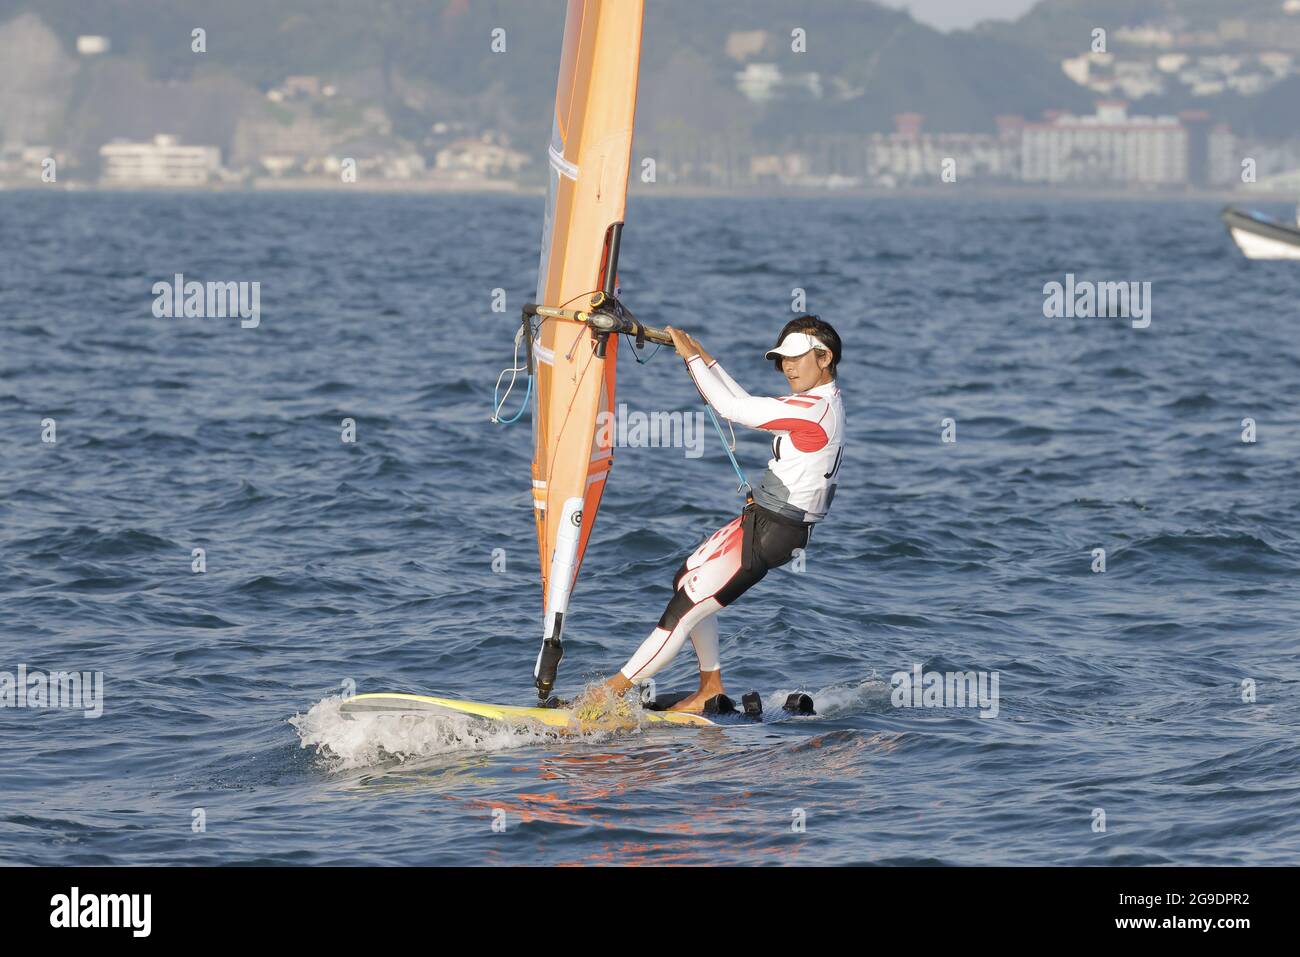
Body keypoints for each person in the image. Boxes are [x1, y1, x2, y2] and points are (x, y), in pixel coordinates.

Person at [581, 315, 846, 714]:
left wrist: (692, 361)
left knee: (684, 609)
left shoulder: (814, 411)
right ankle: (710, 688)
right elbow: (744, 404)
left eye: (796, 358)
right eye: (780, 361)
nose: (787, 367)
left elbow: (731, 410)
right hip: (761, 522)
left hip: (774, 532)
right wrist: (706, 358)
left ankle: (607, 694)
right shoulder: (819, 402)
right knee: (685, 578)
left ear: (824, 357)